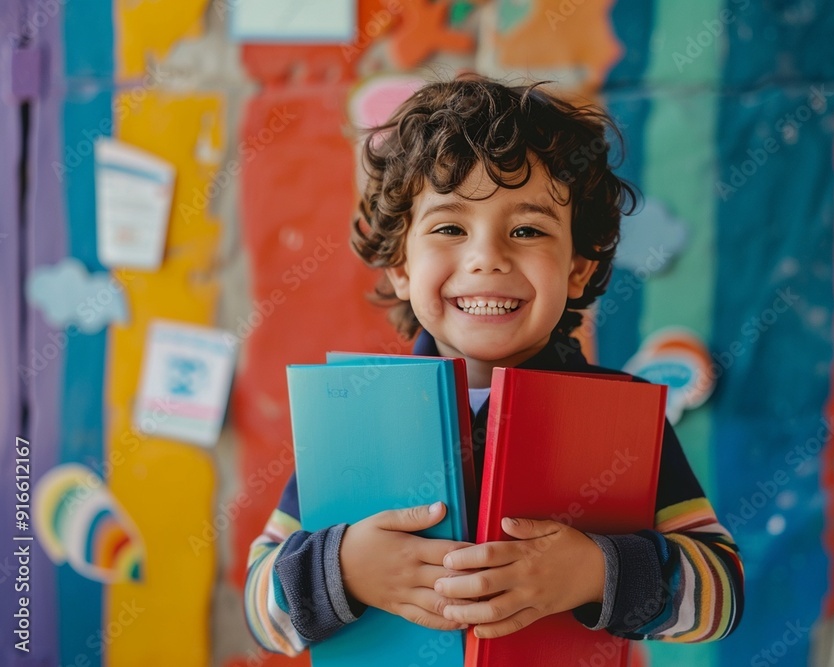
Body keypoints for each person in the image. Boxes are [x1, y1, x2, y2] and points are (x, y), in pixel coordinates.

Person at [244, 75, 744, 656]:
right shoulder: (352, 415)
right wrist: (345, 569)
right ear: (401, 267)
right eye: (450, 228)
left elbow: (723, 598)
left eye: (527, 229)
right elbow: (264, 617)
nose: (486, 258)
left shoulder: (625, 420)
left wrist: (594, 573)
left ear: (578, 268)